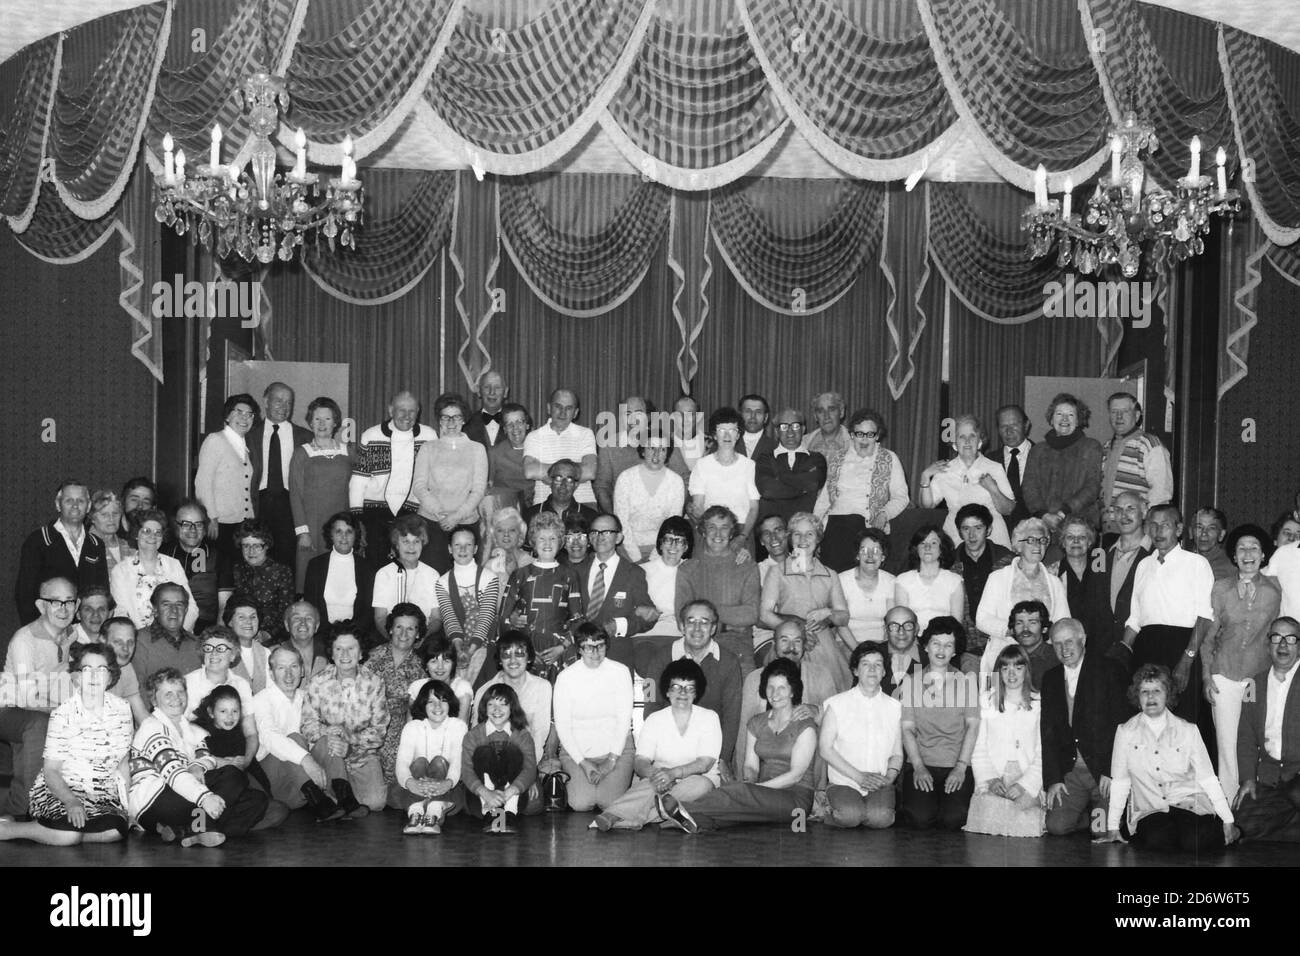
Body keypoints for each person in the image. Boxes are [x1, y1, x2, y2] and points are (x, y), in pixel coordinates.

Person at [1095, 664, 1239, 851]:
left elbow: (1208, 778)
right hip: (1151, 809)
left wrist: (1228, 820)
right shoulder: (1125, 732)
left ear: (1167, 695)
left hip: (1189, 803)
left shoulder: (1188, 730)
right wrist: (1113, 827)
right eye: (1144, 691)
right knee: (1159, 840)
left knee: (1194, 842)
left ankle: (1233, 832)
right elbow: (1120, 781)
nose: (1151, 696)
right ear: (1137, 698)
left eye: (1157, 690)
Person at [0, 642, 132, 845]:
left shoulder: (123, 710)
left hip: (101, 794)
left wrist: (128, 807)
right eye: (87, 669)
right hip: (60, 790)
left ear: (110, 676)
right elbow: (51, 770)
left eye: (101, 669)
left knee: (115, 831)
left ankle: (66, 833)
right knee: (69, 834)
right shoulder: (63, 714)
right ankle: (12, 829)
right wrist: (71, 802)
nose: (94, 676)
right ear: (77, 677)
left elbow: (123, 764)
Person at [670, 658, 817, 832]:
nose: (774, 694)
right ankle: (689, 819)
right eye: (770, 687)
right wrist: (750, 781)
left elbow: (795, 775)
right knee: (726, 813)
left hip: (795, 798)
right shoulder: (756, 723)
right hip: (762, 795)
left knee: (742, 793)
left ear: (793, 691)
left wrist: (755, 788)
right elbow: (751, 766)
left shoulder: (805, 725)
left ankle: (681, 809)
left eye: (781, 688)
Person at [129, 667, 268, 847]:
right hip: (152, 803)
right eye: (168, 694)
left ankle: (187, 831)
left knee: (256, 800)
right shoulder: (152, 727)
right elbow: (173, 773)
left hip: (182, 797)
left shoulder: (192, 729)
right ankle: (200, 826)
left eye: (180, 692)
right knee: (232, 775)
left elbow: (207, 758)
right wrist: (205, 798)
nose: (176, 698)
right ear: (155, 699)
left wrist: (198, 766)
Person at [1119, 505, 1216, 743]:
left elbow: (1204, 617)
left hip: (1182, 648)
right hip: (1146, 649)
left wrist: (1186, 660)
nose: (1158, 530)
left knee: (1182, 724)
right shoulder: (1143, 565)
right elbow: (1135, 619)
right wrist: (1120, 653)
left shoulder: (1196, 563)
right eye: (1153, 524)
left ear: (1179, 529)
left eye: (1165, 525)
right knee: (1146, 721)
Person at [1199, 524, 1281, 802]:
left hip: (1258, 677)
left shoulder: (1274, 589)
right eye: (1242, 548)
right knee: (1227, 744)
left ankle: (1253, 806)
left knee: (1255, 742)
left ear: (1263, 555)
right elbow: (1208, 636)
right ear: (1233, 555)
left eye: (1254, 548)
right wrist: (1206, 676)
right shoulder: (1220, 588)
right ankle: (1228, 809)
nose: (1248, 553)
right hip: (1224, 673)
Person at [593, 659, 721, 831]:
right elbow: (640, 762)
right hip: (658, 780)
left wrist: (673, 774)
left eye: (689, 688)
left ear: (696, 692)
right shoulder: (655, 719)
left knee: (701, 785)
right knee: (648, 786)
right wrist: (658, 775)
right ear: (667, 691)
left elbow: (705, 763)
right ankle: (656, 814)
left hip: (696, 780)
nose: (682, 693)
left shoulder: (709, 718)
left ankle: (624, 817)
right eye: (676, 687)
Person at [1040, 618, 1129, 836]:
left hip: (1103, 773)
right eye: (1058, 644)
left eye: (1069, 641)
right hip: (1072, 773)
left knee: (1101, 831)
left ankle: (1099, 813)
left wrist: (1112, 771)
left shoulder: (1110, 669)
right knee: (1056, 827)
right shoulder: (1050, 679)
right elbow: (1048, 735)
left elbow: (1123, 726)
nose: (1064, 649)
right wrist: (1053, 780)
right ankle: (1083, 813)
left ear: (1083, 640)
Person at [2, 576, 81, 817]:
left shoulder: (73, 636)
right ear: (41, 606)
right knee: (39, 724)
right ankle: (22, 810)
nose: (64, 608)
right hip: (9, 708)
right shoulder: (25, 639)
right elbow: (26, 700)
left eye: (69, 602)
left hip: (43, 710)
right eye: (55, 601)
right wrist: (63, 711)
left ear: (77, 606)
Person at [895, 617, 980, 830]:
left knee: (954, 819)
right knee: (919, 818)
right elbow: (907, 729)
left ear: (955, 650)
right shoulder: (912, 682)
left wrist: (961, 768)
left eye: (948, 644)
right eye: (936, 643)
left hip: (957, 763)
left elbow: (972, 726)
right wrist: (918, 766)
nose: (941, 650)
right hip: (922, 763)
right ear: (926, 646)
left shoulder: (967, 682)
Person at [642, 599, 743, 769]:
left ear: (713, 628)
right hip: (669, 752)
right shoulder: (658, 658)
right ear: (681, 626)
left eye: (704, 622)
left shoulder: (729, 662)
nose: (697, 628)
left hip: (709, 752)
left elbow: (732, 716)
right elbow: (650, 702)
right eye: (691, 621)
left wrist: (723, 758)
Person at [301, 624, 389, 815]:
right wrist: (329, 733)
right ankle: (340, 795)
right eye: (338, 649)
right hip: (329, 752)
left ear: (361, 653)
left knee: (376, 803)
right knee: (328, 746)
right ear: (331, 654)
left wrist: (350, 738)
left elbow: (379, 731)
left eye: (351, 648)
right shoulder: (318, 682)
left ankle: (336, 796)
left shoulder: (374, 683)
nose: (345, 654)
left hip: (361, 755)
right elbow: (307, 724)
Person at [251, 644, 344, 822]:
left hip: (306, 784)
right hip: (276, 783)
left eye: (293, 666)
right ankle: (319, 802)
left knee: (327, 740)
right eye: (281, 668)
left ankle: (342, 797)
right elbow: (269, 737)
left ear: (302, 671)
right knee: (294, 738)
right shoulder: (260, 700)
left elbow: (323, 734)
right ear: (271, 674)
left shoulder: (307, 697)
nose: (288, 674)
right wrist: (306, 759)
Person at [760, 512, 851, 692]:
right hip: (788, 643)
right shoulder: (777, 571)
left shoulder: (830, 574)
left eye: (809, 534)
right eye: (797, 534)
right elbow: (764, 614)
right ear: (790, 538)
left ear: (818, 538)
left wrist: (829, 614)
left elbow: (844, 617)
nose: (803, 539)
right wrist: (797, 631)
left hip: (823, 646)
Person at [552, 621, 635, 812]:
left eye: (600, 646)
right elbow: (563, 727)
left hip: (617, 750)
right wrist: (583, 763)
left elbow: (624, 721)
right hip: (577, 753)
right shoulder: (565, 677)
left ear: (607, 645)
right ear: (579, 649)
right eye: (589, 647)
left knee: (608, 803)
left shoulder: (621, 672)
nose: (595, 652)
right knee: (581, 803)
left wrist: (611, 760)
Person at [819, 641, 903, 829]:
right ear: (855, 670)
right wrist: (859, 777)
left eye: (878, 664)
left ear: (884, 672)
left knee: (881, 819)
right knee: (850, 816)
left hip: (879, 782)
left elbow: (897, 754)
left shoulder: (895, 708)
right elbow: (825, 749)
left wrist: (889, 778)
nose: (872, 669)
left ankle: (868, 810)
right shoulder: (836, 704)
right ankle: (835, 808)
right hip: (845, 781)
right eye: (865, 664)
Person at [965, 644, 1045, 837]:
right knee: (990, 807)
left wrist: (1024, 785)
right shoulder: (986, 701)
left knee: (1023, 814)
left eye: (1018, 668)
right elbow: (978, 747)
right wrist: (990, 779)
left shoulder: (1038, 703)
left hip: (1026, 775)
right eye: (1005, 668)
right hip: (995, 774)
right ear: (998, 671)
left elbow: (1042, 752)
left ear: (1026, 670)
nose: (1011, 674)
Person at [814, 408, 909, 572]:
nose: (864, 439)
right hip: (835, 526)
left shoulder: (889, 458)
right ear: (851, 435)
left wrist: (884, 514)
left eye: (870, 434)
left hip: (868, 527)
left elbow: (901, 497)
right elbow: (823, 500)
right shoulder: (838, 458)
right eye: (859, 434)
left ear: (877, 435)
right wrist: (814, 531)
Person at [1233, 616, 1300, 843]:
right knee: (1242, 825)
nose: (1283, 645)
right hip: (1271, 778)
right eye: (1276, 638)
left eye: (1291, 639)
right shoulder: (1253, 684)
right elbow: (1246, 737)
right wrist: (1248, 779)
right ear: (1268, 643)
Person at [735, 621, 831, 779]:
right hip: (761, 770)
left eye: (797, 641)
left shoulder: (821, 675)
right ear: (774, 643)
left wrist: (817, 711)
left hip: (805, 773)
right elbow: (743, 734)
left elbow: (836, 723)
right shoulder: (754, 679)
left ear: (805, 644)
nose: (791, 647)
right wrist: (742, 779)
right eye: (784, 640)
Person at [350, 390, 436, 564]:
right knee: (376, 564)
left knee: (410, 564)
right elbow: (359, 479)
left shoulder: (430, 436)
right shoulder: (371, 435)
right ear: (390, 410)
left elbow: (434, 478)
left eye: (411, 411)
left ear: (418, 411)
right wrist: (357, 517)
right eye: (401, 410)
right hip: (375, 512)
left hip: (413, 513)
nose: (406, 416)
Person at [499, 512, 584, 680]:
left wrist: (562, 647)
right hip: (526, 653)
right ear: (532, 541)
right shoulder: (520, 575)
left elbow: (578, 619)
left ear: (560, 542)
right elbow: (504, 617)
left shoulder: (569, 575)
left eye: (552, 538)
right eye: (541, 538)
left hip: (560, 651)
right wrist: (525, 651)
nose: (547, 543)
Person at [676, 506, 761, 673]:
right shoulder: (688, 569)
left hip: (738, 646)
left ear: (732, 533)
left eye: (724, 528)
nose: (717, 534)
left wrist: (703, 614)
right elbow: (682, 618)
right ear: (703, 531)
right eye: (712, 527)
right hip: (697, 644)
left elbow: (751, 614)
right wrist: (728, 623)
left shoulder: (748, 567)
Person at [411, 393, 488, 574]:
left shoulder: (477, 449)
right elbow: (419, 486)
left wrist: (456, 517)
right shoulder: (428, 448)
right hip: (431, 523)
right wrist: (439, 513)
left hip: (466, 524)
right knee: (431, 578)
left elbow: (478, 490)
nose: (451, 422)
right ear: (439, 419)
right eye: (446, 417)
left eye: (456, 417)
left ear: (464, 420)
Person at [15, 480, 106, 625]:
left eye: (80, 501)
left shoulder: (97, 545)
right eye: (69, 500)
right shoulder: (38, 541)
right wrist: (36, 632)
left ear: (88, 506)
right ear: (58, 504)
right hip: (48, 629)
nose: (75, 505)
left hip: (86, 631)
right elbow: (24, 594)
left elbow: (102, 594)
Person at [919, 414, 1015, 549]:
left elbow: (1008, 509)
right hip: (956, 536)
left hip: (992, 535)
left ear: (980, 442)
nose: (967, 441)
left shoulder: (994, 468)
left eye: (972, 436)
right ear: (954, 444)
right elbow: (927, 505)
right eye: (961, 437)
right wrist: (925, 476)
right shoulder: (944, 470)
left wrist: (993, 489)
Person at [288, 395, 352, 591]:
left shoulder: (348, 452)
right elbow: (295, 494)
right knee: (311, 581)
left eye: (327, 419)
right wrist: (303, 532)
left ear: (335, 423)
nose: (322, 424)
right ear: (310, 422)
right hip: (313, 527)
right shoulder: (301, 453)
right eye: (317, 419)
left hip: (341, 527)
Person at [975, 518, 1070, 650]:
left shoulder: (1055, 583)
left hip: (1044, 654)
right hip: (1006, 652)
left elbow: (1063, 622)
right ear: (1018, 545)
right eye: (1031, 540)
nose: (1038, 545)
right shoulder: (997, 578)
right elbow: (982, 619)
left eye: (1042, 540)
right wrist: (1013, 630)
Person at [249, 382, 312, 569]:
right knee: (257, 560)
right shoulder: (250, 434)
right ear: (266, 401)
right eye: (278, 401)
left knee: (287, 562)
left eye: (288, 402)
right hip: (258, 504)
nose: (283, 407)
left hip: (290, 505)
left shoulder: (305, 437)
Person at [1022, 393, 1104, 537]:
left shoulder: (1091, 447)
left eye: (1071, 415)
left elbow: (1092, 487)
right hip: (1043, 526)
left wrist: (1062, 513)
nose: (1064, 419)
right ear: (1051, 418)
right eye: (1059, 413)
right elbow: (1029, 486)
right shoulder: (1038, 450)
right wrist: (1044, 515)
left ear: (1078, 420)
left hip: (1081, 526)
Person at [472, 631, 554, 775]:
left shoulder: (542, 687)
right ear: (499, 660)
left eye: (520, 653)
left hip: (527, 762)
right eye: (506, 654)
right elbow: (477, 738)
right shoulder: (484, 692)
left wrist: (525, 771)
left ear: (529, 658)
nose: (513, 660)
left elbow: (539, 735)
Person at [577, 513, 654, 665]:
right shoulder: (576, 570)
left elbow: (648, 617)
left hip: (616, 655)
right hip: (580, 655)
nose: (600, 537)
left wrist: (618, 625)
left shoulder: (633, 573)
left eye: (606, 532)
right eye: (595, 532)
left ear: (618, 537)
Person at [461, 682, 539, 832]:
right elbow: (466, 771)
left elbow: (530, 769)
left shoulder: (522, 735)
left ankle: (509, 813)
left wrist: (509, 793)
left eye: (503, 704)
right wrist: (486, 793)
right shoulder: (473, 736)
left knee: (512, 751)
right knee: (483, 752)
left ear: (512, 708)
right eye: (491, 704)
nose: (497, 710)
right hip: (482, 798)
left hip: (511, 795)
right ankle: (491, 814)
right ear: (485, 707)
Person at [392, 679, 468, 832]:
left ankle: (433, 812)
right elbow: (402, 763)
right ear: (422, 705)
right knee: (419, 762)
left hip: (447, 787)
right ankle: (417, 813)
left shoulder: (458, 726)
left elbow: (457, 763)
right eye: (431, 702)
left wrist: (447, 783)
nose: (437, 706)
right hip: (416, 785)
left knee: (439, 762)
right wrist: (411, 783)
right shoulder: (412, 727)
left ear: (450, 703)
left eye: (443, 700)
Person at [365, 603, 428, 785]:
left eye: (410, 629)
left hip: (401, 727)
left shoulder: (421, 667)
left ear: (418, 634)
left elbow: (417, 712)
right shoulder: (371, 657)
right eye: (399, 627)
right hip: (368, 723)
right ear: (391, 629)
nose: (403, 634)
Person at [108, 508, 198, 632]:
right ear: (136, 534)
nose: (153, 536)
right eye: (146, 531)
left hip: (173, 637)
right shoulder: (120, 570)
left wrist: (176, 633)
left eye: (158, 532)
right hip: (137, 640)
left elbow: (191, 607)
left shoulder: (173, 565)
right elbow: (120, 611)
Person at [194, 394, 259, 564]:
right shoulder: (215, 440)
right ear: (228, 416)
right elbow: (202, 482)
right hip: (220, 523)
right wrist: (210, 518)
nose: (244, 418)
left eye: (249, 414)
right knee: (219, 567)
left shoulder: (244, 445)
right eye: (239, 412)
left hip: (241, 522)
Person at [434, 525, 501, 685]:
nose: (463, 549)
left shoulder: (490, 577)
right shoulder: (442, 582)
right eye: (457, 545)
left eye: (468, 544)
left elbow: (486, 616)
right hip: (456, 644)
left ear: (476, 548)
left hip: (485, 643)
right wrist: (458, 649)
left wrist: (471, 650)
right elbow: (449, 618)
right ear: (450, 549)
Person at [754, 408, 827, 554]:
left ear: (804, 429)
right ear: (776, 431)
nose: (790, 432)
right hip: (772, 537)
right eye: (784, 426)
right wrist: (803, 488)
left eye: (795, 426)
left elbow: (813, 483)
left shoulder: (816, 458)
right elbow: (768, 490)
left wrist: (780, 477)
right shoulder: (765, 458)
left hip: (804, 537)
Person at [689, 408, 760, 548]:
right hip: (709, 531)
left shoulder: (749, 466)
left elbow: (753, 508)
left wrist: (742, 536)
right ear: (715, 435)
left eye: (732, 430)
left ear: (738, 435)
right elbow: (698, 507)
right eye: (722, 430)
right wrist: (715, 532)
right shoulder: (702, 465)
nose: (727, 435)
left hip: (742, 532)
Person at [949, 503, 1014, 656]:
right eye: (966, 529)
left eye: (978, 528)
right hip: (966, 648)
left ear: (989, 530)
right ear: (959, 532)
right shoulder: (949, 565)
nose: (972, 535)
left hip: (1002, 642)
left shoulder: (1007, 561)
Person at [1094, 491, 1151, 658]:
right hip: (1103, 650)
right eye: (1118, 510)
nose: (1123, 515)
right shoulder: (1100, 555)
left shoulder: (1154, 554)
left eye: (1130, 509)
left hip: (1139, 647)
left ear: (1144, 511)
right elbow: (1093, 601)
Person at [613, 432, 686, 562]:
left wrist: (655, 557)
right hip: (627, 547)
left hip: (663, 549)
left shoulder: (676, 482)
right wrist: (635, 556)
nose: (656, 454)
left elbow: (672, 525)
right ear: (642, 451)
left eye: (662, 449)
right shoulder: (626, 478)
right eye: (651, 448)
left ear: (667, 454)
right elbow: (621, 522)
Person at [162, 500, 232, 634]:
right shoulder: (163, 553)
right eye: (186, 524)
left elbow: (224, 605)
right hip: (167, 627)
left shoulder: (220, 557)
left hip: (206, 631)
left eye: (198, 524)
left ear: (205, 528)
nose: (192, 530)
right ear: (175, 526)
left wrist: (217, 636)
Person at [523, 388, 598, 507]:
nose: (563, 412)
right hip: (544, 503)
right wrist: (574, 474)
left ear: (575, 412)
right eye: (558, 406)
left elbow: (589, 472)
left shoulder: (586, 434)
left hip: (584, 503)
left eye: (569, 408)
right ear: (549, 408)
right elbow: (530, 471)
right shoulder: (534, 436)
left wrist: (548, 474)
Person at [1099, 392, 1173, 512]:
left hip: (1136, 526)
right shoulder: (1107, 447)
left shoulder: (1150, 445)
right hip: (1109, 525)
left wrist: (1146, 520)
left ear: (1137, 415)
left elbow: (1161, 493)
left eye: (1125, 411)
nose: (1119, 416)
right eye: (1114, 412)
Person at [371, 514, 439, 640]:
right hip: (391, 637)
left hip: (423, 638)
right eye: (405, 541)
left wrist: (422, 638)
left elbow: (436, 618)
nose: (411, 547)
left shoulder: (432, 575)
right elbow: (380, 617)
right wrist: (394, 642)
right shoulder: (384, 574)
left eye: (416, 541)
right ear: (397, 544)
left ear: (422, 544)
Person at [302, 511, 376, 626]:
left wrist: (348, 634)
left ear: (355, 535)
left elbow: (368, 611)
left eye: (349, 532)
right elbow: (311, 606)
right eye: (338, 531)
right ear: (331, 535)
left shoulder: (367, 567)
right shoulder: (315, 565)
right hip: (322, 633)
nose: (344, 537)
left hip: (356, 634)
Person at [896, 525, 966, 637]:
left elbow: (956, 624)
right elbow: (902, 622)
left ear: (942, 548)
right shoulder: (903, 581)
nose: (927, 547)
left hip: (944, 641)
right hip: (912, 641)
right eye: (922, 543)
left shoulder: (954, 581)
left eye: (933, 543)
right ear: (916, 548)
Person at [229, 521, 295, 641]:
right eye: (246, 545)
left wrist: (267, 634)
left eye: (257, 546)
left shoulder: (282, 571)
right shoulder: (236, 569)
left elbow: (287, 612)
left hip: (272, 637)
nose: (251, 551)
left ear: (267, 546)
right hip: (240, 634)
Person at [979, 600, 1061, 690]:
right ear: (1013, 629)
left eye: (1032, 622)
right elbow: (994, 693)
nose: (1025, 628)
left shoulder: (1056, 657)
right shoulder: (1006, 655)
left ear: (1044, 628)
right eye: (1019, 623)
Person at [131, 583, 202, 685]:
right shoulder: (138, 641)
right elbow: (135, 691)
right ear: (155, 610)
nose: (173, 610)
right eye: (166, 604)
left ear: (186, 610)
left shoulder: (197, 644)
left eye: (179, 604)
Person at [837, 528, 898, 648]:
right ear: (858, 555)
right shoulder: (841, 580)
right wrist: (858, 652)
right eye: (864, 550)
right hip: (846, 644)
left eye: (876, 551)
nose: (870, 555)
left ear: (883, 557)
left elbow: (892, 623)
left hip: (881, 643)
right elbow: (841, 625)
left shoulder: (891, 581)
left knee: (914, 662)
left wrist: (882, 651)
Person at [595, 395, 652, 515]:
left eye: (638, 413)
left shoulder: (663, 442)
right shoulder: (608, 446)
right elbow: (602, 488)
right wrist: (615, 519)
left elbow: (683, 479)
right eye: (627, 413)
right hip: (620, 515)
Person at [640, 516, 693, 640]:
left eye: (680, 541)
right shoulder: (643, 570)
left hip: (680, 634)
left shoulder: (692, 571)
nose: (673, 546)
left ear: (686, 547)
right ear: (661, 543)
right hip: (648, 633)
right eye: (669, 539)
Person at [483, 402, 534, 517]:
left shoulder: (539, 449)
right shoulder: (494, 453)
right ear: (504, 429)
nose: (515, 428)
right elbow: (488, 487)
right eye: (509, 424)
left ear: (527, 425)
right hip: (505, 512)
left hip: (535, 507)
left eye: (519, 422)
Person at [409, 634, 474, 722]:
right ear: (426, 665)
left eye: (446, 661)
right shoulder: (417, 687)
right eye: (433, 661)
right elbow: (410, 726)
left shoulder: (461, 689)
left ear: (453, 664)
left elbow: (461, 729)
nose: (440, 667)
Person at [522, 459, 599, 532]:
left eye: (569, 480)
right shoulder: (531, 515)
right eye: (558, 478)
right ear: (550, 481)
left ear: (576, 485)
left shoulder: (590, 517)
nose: (563, 485)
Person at [98, 617, 150, 723]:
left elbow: (141, 714)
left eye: (130, 643)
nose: (125, 649)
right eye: (118, 642)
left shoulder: (126, 668)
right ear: (102, 640)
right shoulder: (86, 670)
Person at [994, 404, 1034, 530]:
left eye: (1014, 425)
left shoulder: (1044, 456)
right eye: (1003, 426)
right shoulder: (989, 460)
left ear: (1026, 425)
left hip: (1034, 535)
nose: (1009, 431)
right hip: (999, 534)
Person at [278, 600, 330, 679]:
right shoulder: (275, 654)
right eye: (296, 618)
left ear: (316, 626)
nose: (303, 623)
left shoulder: (329, 653)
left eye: (309, 618)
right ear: (287, 625)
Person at [463, 370, 511, 449]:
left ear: (505, 392)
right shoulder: (466, 425)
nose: (492, 392)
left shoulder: (516, 425)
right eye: (487, 387)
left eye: (497, 387)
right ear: (479, 391)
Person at [882, 605, 925, 693]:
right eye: (894, 626)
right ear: (885, 630)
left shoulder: (931, 658)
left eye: (908, 625)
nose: (901, 632)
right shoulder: (871, 655)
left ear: (916, 629)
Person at [87, 490, 132, 573]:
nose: (111, 519)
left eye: (115, 513)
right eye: (104, 515)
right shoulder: (85, 546)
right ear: (92, 518)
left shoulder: (129, 546)